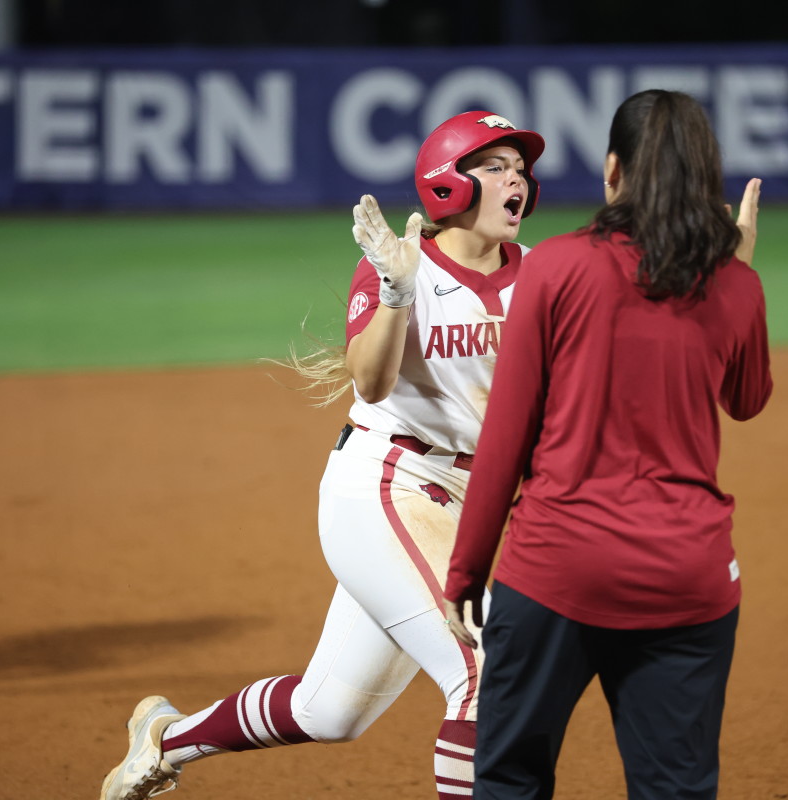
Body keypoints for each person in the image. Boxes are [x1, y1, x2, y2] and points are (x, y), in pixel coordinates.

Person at [100, 110, 546, 800]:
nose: (516, 179)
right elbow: (370, 379)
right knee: (486, 670)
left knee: (330, 710)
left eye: (521, 170)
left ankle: (163, 740)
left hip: (469, 505)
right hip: (389, 485)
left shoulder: (541, 276)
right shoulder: (401, 265)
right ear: (448, 185)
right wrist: (395, 293)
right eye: (495, 166)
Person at [442, 89, 772, 800]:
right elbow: (748, 400)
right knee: (675, 789)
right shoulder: (735, 283)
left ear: (612, 170)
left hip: (557, 567)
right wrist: (739, 267)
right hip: (688, 575)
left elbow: (509, 429)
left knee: (508, 781)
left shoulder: (553, 267)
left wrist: (467, 572)